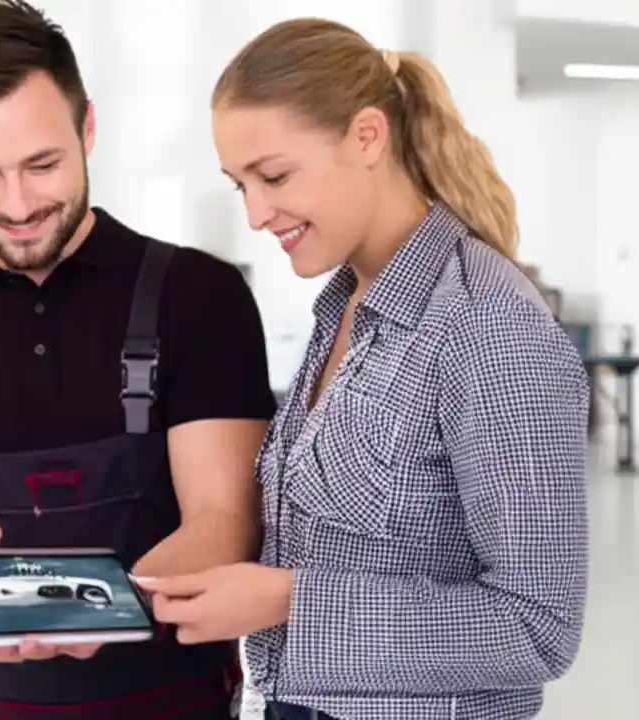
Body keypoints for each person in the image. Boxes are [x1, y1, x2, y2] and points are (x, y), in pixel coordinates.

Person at [135, 17, 591, 720]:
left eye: (275, 175)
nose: (256, 213)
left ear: (368, 137)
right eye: (240, 186)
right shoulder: (345, 306)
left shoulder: (489, 326)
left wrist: (289, 601)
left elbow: (538, 628)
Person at [0, 2, 278, 718]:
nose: (17, 205)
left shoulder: (200, 297)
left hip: (176, 700)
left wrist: (89, 612)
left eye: (41, 165)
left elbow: (229, 522)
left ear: (88, 130)